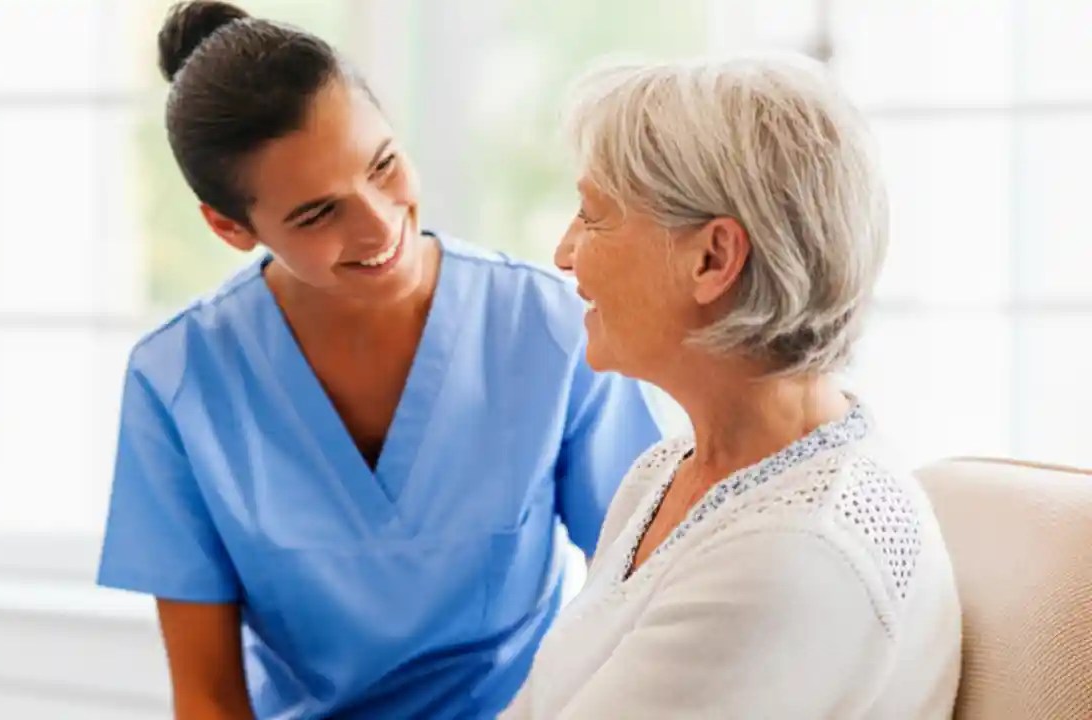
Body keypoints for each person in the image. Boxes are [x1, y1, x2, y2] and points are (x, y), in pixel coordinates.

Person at [96, 3, 661, 718]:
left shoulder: (546, 329)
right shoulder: (176, 381)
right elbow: (207, 695)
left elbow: (643, 593)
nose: (379, 224)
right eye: (316, 213)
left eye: (383, 164)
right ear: (231, 228)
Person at [502, 56, 962, 718]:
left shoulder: (798, 553)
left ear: (713, 258)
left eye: (593, 215)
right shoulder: (670, 470)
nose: (565, 252)